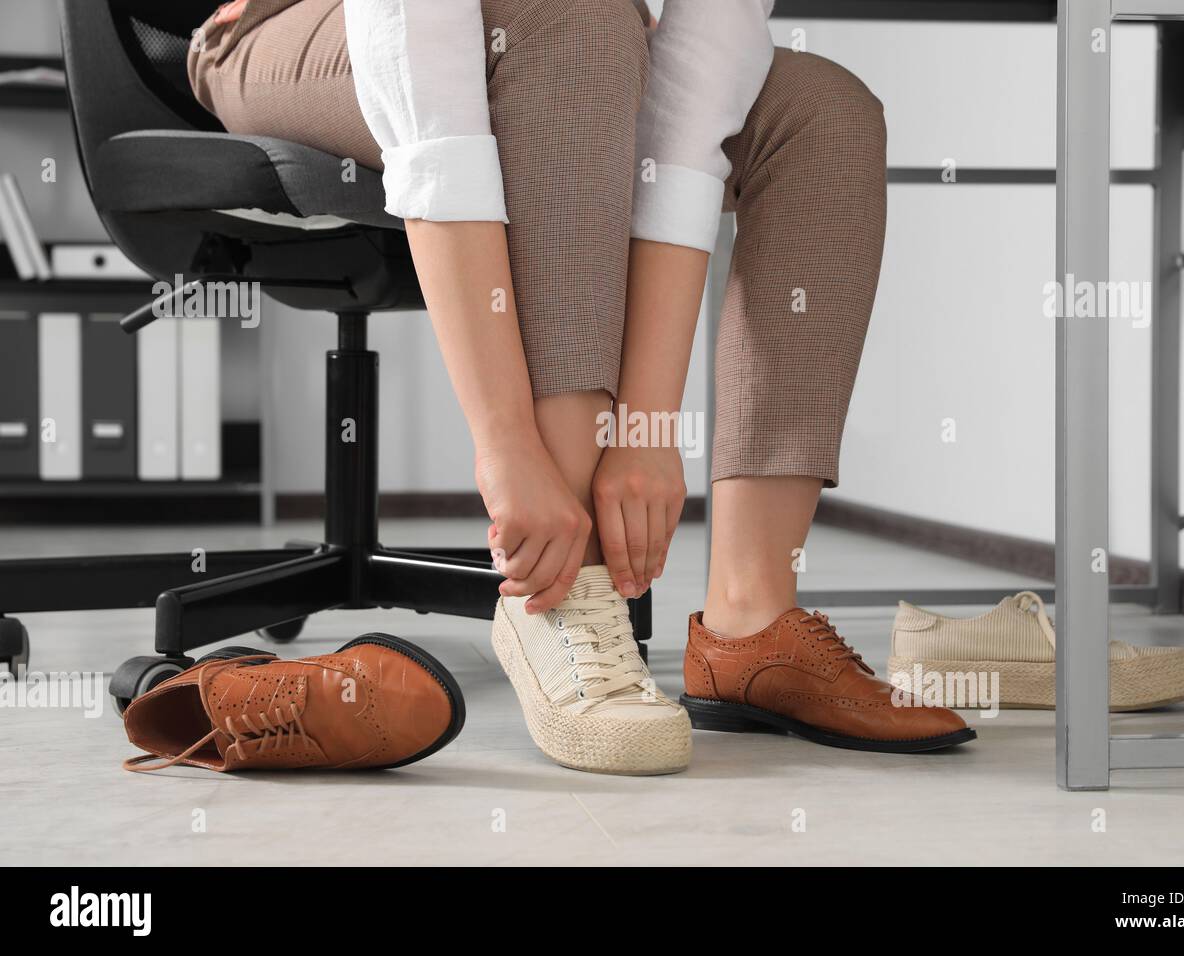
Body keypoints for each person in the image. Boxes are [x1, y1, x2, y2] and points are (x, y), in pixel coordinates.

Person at [189, 0, 973, 776]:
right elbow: (416, 41)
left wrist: (644, 425)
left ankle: (751, 622)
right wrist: (506, 447)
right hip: (301, 28)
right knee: (574, 21)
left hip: (576, 35)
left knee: (820, 111)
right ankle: (560, 589)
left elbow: (705, 54)